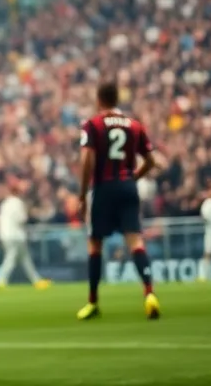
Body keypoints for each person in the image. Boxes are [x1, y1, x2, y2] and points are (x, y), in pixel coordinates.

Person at [76, 82, 161, 321]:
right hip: (128, 187)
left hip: (103, 188)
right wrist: (133, 177)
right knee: (135, 241)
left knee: (95, 243)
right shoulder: (135, 125)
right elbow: (151, 162)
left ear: (99, 100)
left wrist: (82, 194)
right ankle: (149, 294)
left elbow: (86, 161)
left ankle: (93, 302)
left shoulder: (92, 124)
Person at [0, 183, 49, 289]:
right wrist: (28, 211)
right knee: (12, 258)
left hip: (5, 234)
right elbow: (22, 219)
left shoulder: (5, 203)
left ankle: (36, 280)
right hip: (16, 235)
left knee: (25, 259)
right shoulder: (18, 203)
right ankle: (1, 279)